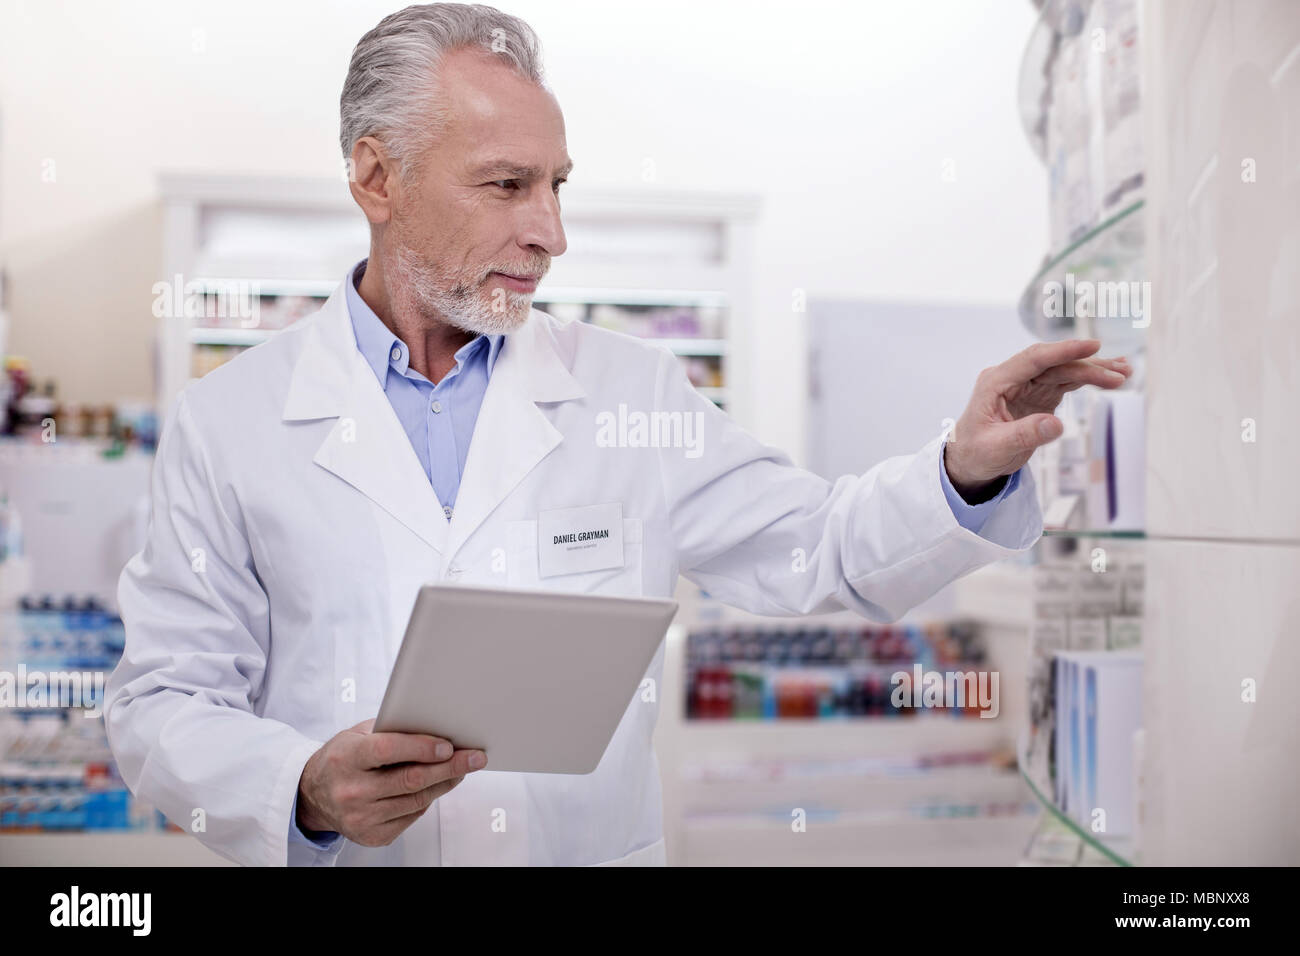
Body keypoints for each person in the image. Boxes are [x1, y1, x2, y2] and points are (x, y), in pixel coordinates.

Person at [104, 3, 1132, 866]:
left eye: (557, 185)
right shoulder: (230, 421)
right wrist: (303, 786)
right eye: (506, 185)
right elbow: (161, 700)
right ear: (377, 178)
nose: (550, 231)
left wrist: (963, 466)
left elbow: (814, 548)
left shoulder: (630, 391)